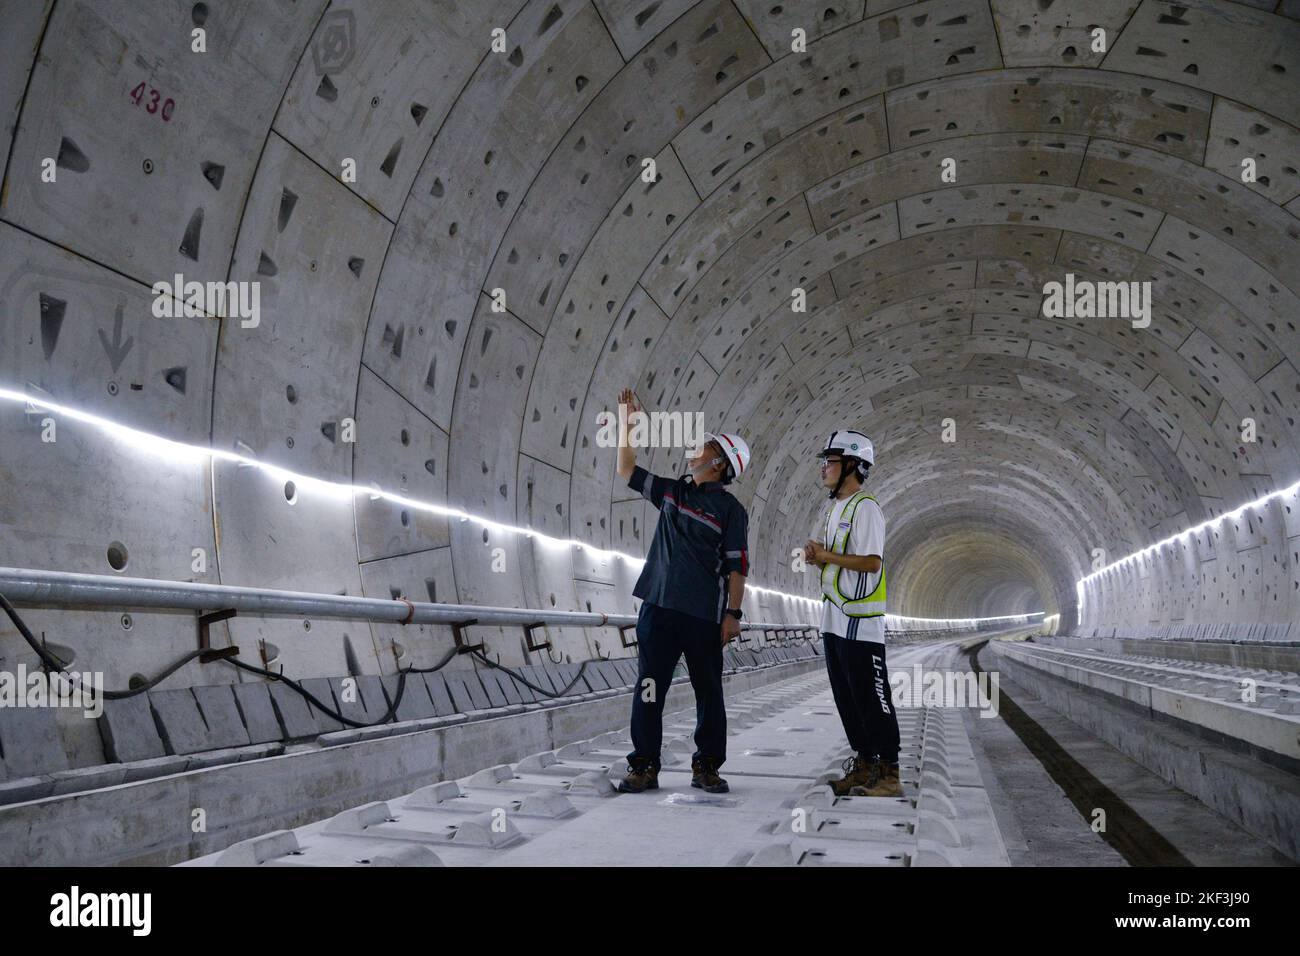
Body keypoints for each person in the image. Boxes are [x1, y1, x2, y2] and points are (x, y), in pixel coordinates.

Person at [613, 388, 751, 795]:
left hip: (703, 616)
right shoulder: (673, 492)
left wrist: (733, 614)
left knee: (708, 691)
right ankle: (645, 765)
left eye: (703, 448)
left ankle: (706, 765)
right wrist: (627, 424)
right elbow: (627, 470)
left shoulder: (731, 511)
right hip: (658, 607)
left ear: (719, 463)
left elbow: (737, 566)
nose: (694, 451)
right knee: (649, 687)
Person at [803, 429, 902, 798]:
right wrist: (819, 557)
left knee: (872, 698)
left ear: (852, 465)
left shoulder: (867, 507)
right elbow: (840, 564)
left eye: (830, 462)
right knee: (847, 699)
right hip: (834, 620)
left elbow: (872, 563)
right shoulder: (834, 510)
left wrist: (827, 555)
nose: (824, 469)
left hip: (862, 623)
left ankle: (890, 773)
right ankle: (864, 764)